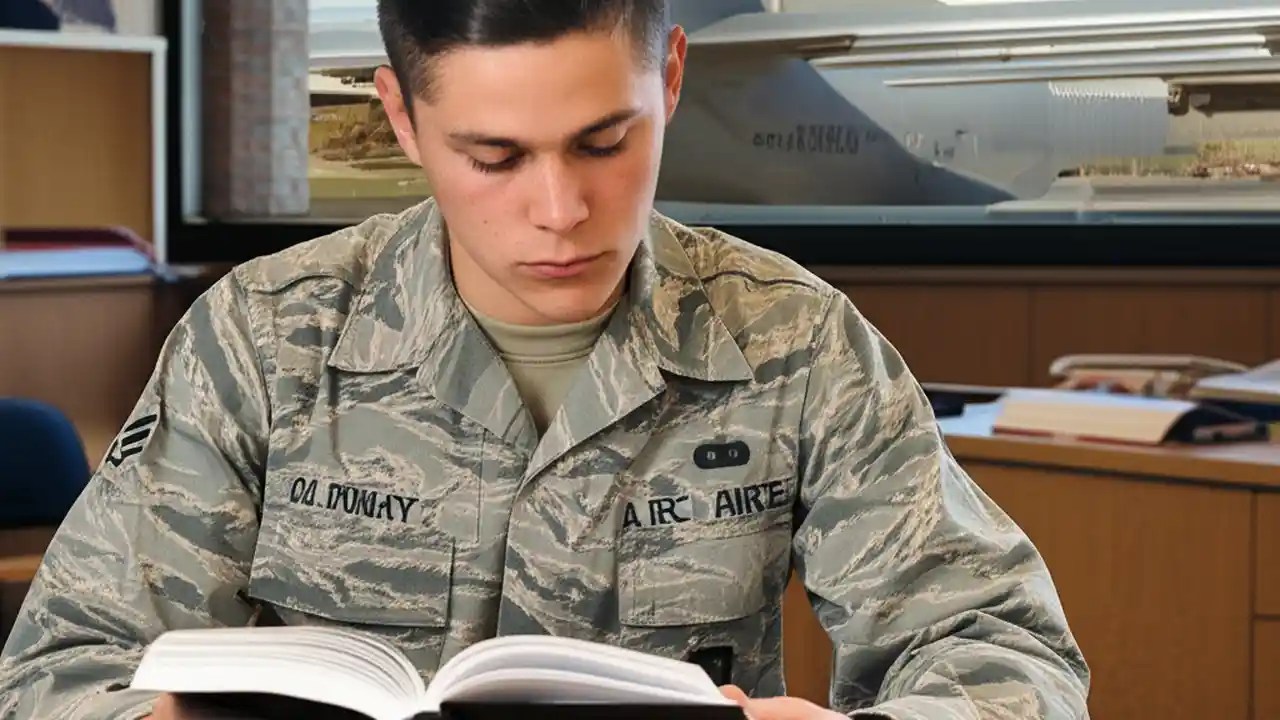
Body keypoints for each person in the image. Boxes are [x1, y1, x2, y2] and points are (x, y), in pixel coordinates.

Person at [0, 1, 1090, 718]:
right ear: (401, 117)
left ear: (669, 76)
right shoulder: (261, 336)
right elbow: (59, 670)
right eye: (495, 157)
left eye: (603, 143)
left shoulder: (793, 342)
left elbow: (1003, 650)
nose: (561, 211)